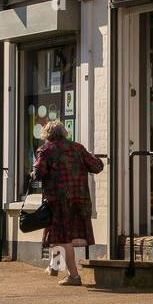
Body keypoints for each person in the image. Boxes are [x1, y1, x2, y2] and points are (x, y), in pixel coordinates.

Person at [32, 120, 104, 286]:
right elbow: (97, 167)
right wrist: (92, 156)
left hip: (58, 199)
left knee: (64, 236)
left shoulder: (45, 150)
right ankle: (55, 265)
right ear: (64, 132)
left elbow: (38, 173)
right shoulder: (78, 148)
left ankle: (74, 276)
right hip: (80, 198)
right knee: (57, 233)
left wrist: (32, 173)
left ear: (46, 135)